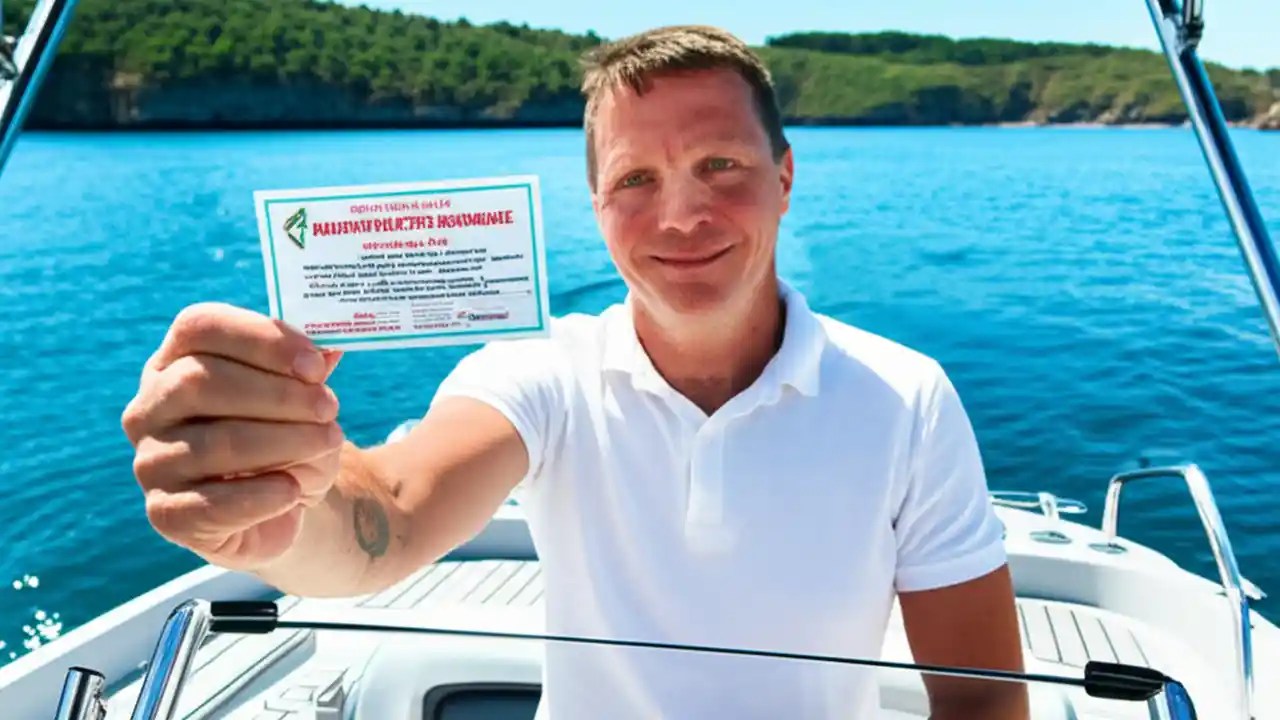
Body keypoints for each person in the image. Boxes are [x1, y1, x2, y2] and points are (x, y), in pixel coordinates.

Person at [122, 24, 1027, 719]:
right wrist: (283, 492)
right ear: (595, 205)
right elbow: (386, 519)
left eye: (721, 165)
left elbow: (983, 699)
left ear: (785, 177)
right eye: (636, 179)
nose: (680, 216)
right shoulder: (543, 376)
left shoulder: (906, 397)